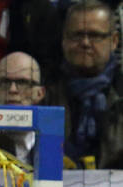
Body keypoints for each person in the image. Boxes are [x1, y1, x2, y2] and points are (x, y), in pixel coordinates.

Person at [45, 0, 123, 169]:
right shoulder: (43, 91)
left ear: (114, 41)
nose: (85, 43)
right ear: (64, 39)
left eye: (95, 35)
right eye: (77, 35)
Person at [0, 51, 44, 165]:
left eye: (23, 82)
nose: (13, 90)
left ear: (39, 93)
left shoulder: (57, 146)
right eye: (5, 82)